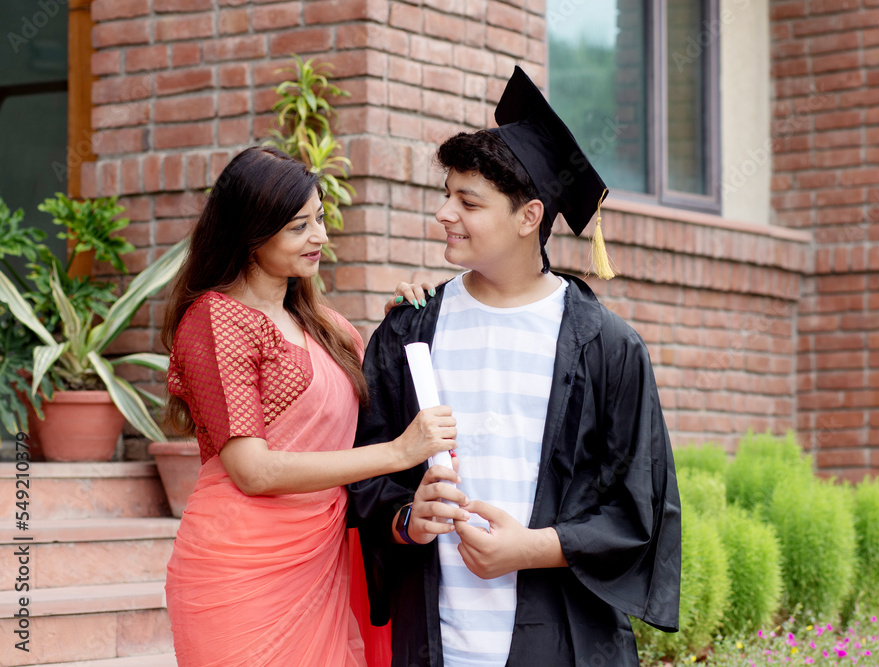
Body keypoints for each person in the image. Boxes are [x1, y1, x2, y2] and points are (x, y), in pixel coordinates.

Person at [349, 67, 681, 667]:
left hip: (563, 641)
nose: (443, 213)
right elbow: (368, 470)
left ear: (529, 217)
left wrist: (531, 548)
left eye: (468, 201)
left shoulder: (605, 346)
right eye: (446, 194)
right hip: (436, 640)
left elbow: (638, 506)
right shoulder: (410, 329)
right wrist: (408, 519)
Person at [161, 145, 457, 667]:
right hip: (240, 569)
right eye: (299, 227)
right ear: (250, 233)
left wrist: (402, 321)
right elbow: (253, 471)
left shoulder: (327, 326)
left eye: (319, 219)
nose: (319, 236)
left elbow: (370, 413)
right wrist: (400, 451)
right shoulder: (216, 319)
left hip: (323, 560)